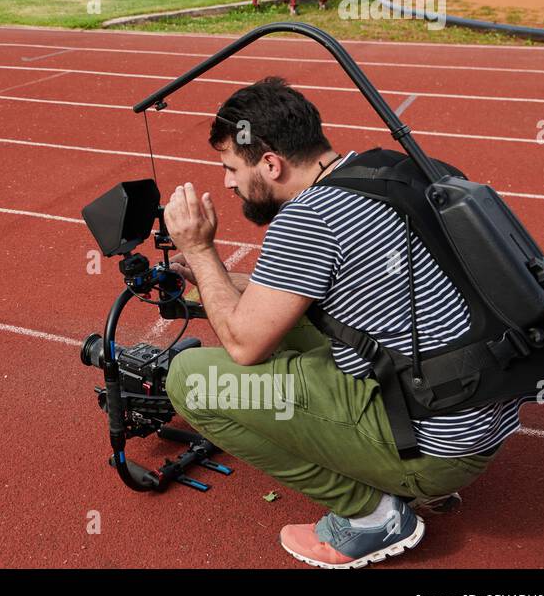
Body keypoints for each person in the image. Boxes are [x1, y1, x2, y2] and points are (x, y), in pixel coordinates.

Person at [160, 77, 519, 569]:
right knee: (293, 325)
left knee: (191, 380)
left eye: (230, 168)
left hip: (435, 449)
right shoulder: (393, 169)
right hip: (479, 408)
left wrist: (200, 252)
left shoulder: (309, 218)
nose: (227, 183)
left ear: (270, 163)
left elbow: (244, 346)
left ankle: (372, 515)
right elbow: (296, 288)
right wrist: (213, 278)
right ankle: (402, 477)